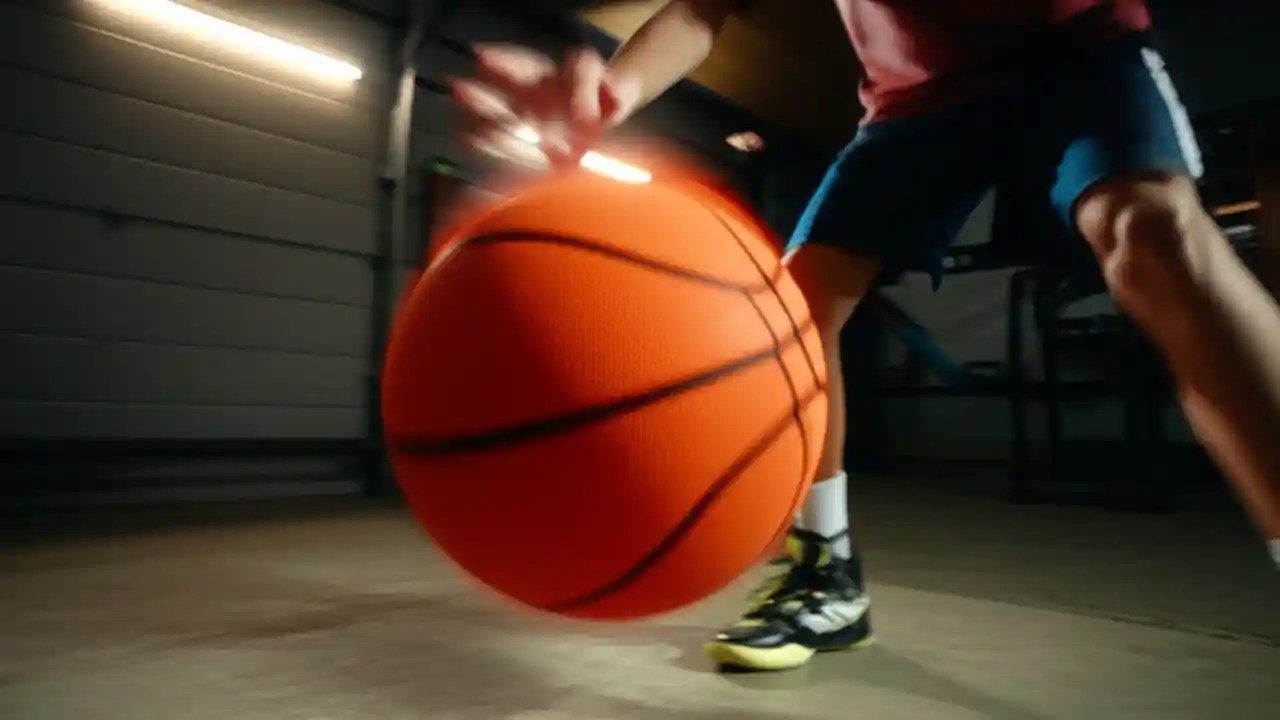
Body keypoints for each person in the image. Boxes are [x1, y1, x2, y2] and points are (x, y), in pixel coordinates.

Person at [454, 0, 1280, 672]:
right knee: (790, 318)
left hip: (1076, 47)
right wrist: (613, 92)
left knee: (1152, 238)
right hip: (914, 105)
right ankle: (827, 570)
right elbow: (701, 12)